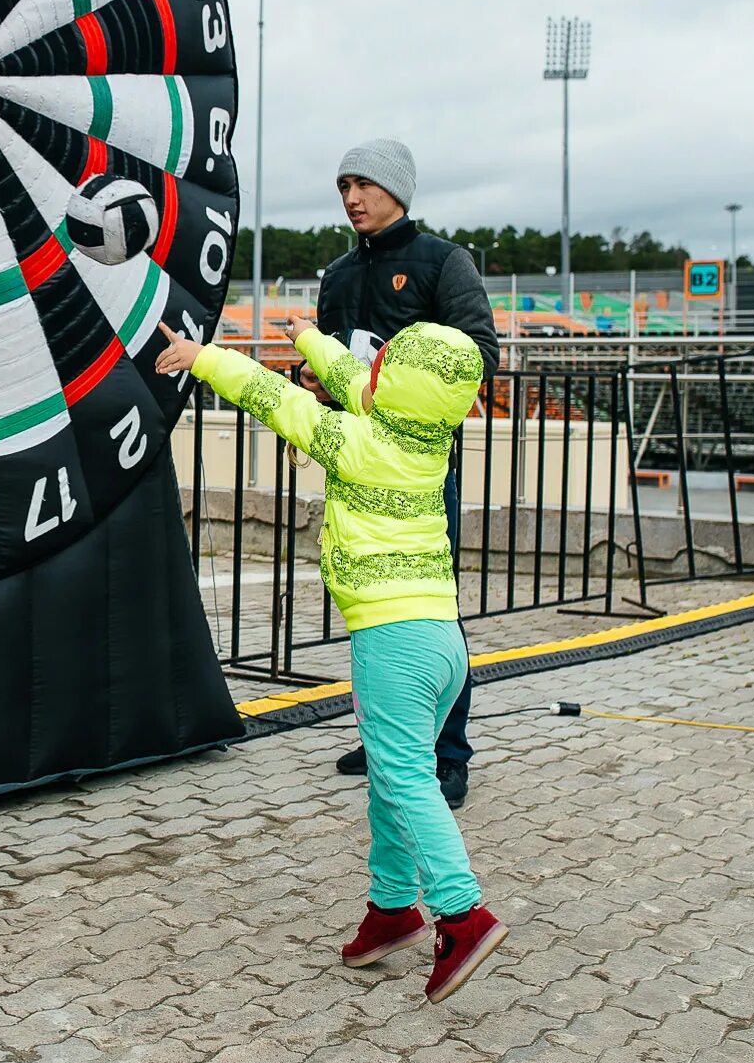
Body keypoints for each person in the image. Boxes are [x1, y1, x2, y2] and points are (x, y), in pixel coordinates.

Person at [156, 316, 508, 1002]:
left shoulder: (356, 444)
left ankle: (462, 916)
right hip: (443, 642)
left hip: (393, 640)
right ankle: (391, 911)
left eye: (380, 366)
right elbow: (349, 379)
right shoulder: (430, 438)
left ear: (391, 386)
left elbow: (275, 399)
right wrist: (311, 338)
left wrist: (203, 358)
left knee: (406, 778)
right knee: (392, 775)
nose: (366, 370)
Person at [306, 138, 498, 809]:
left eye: (363, 184)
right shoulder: (337, 274)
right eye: (343, 186)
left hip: (419, 468)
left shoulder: (444, 261)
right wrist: (317, 378)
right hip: (355, 464)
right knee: (368, 608)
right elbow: (330, 368)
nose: (352, 198)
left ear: (397, 188)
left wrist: (402, 372)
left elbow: (481, 354)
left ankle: (449, 755)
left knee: (430, 608)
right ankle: (384, 738)